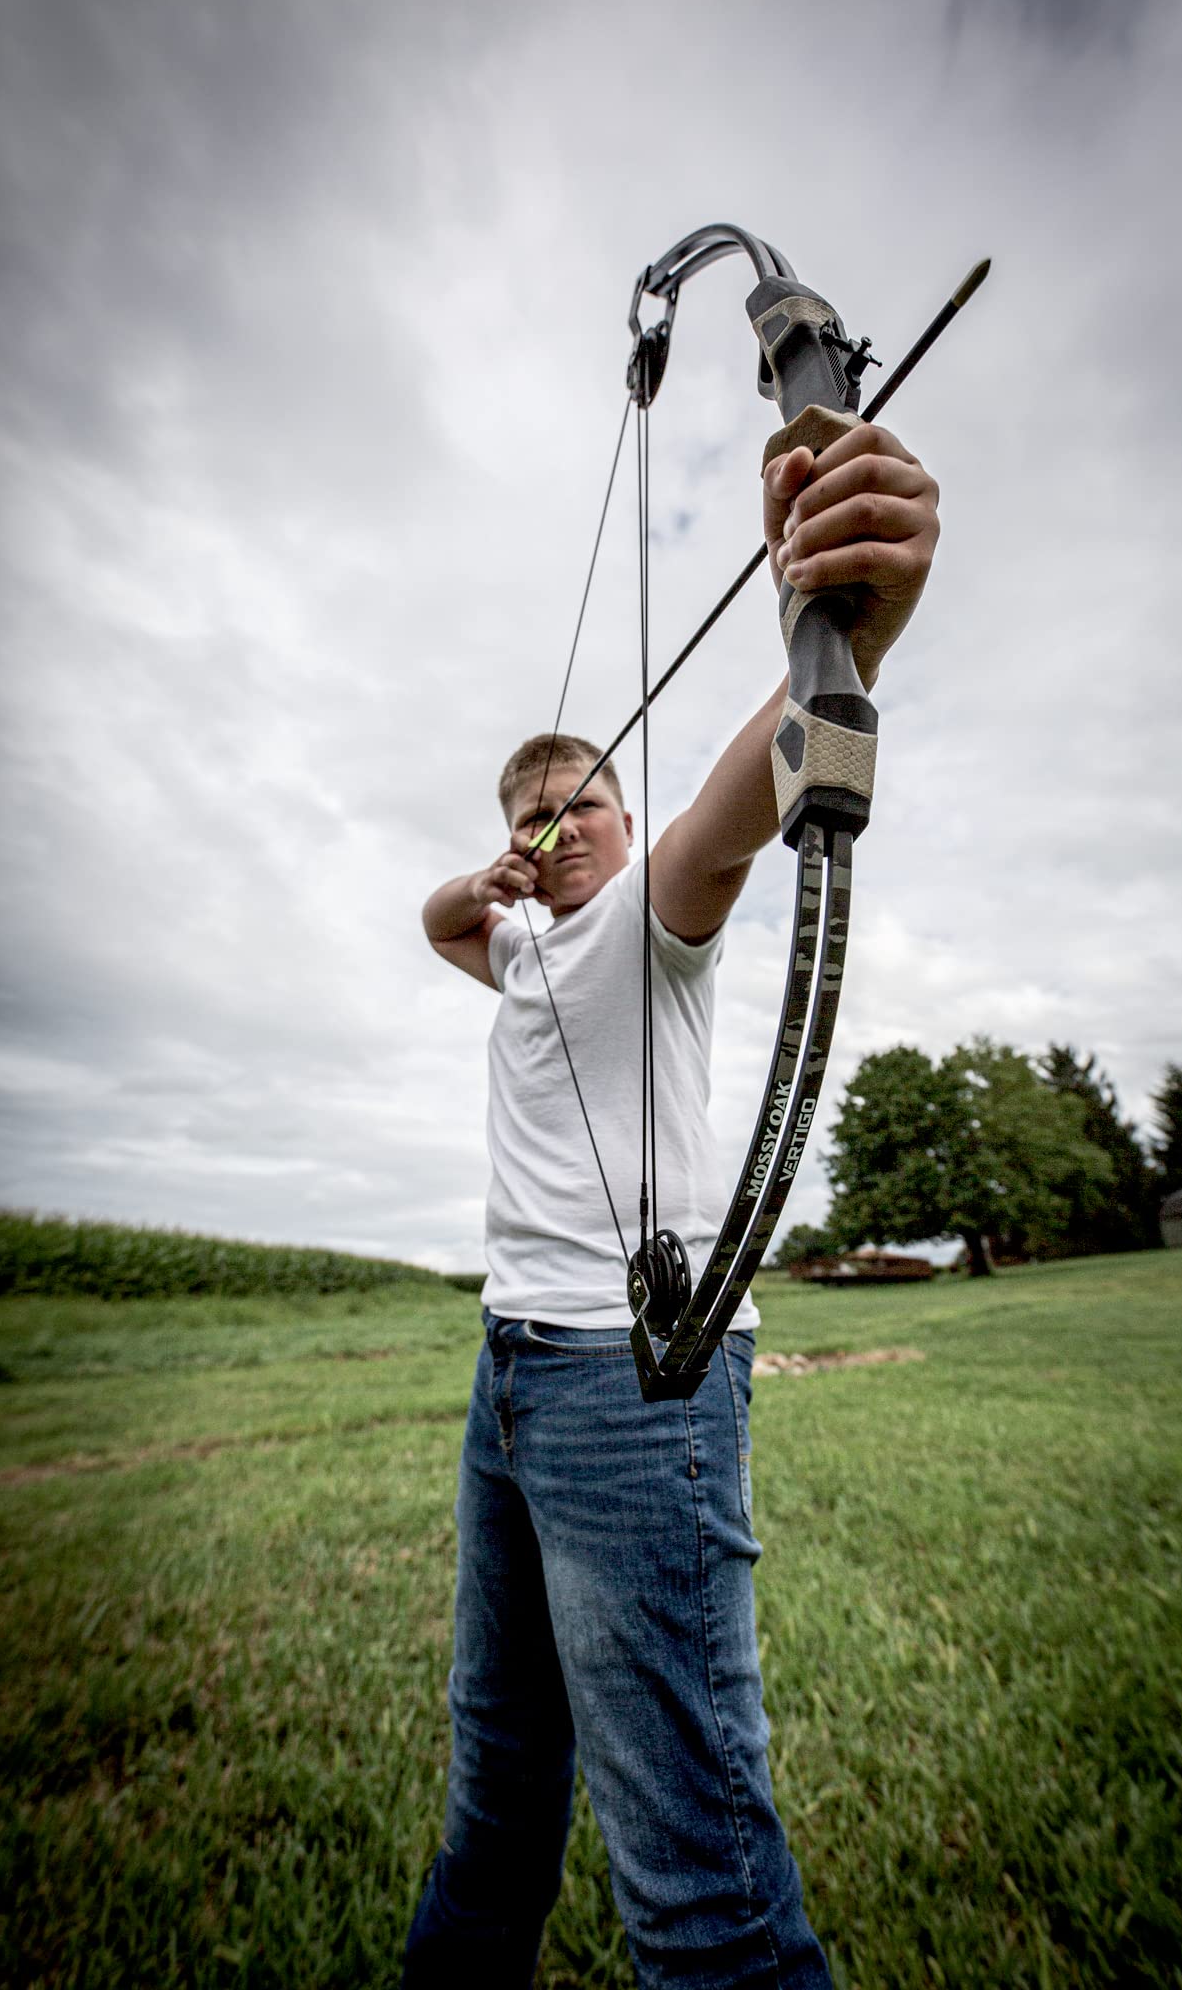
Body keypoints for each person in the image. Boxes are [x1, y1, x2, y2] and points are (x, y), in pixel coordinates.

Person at [402, 420, 940, 1987]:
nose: (561, 832)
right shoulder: (515, 943)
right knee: (496, 1787)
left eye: (583, 805)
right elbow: (436, 922)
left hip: (634, 1393)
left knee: (695, 1889)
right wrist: (475, 883)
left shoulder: (653, 913)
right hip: (509, 1376)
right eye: (533, 818)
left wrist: (844, 632)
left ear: (620, 825)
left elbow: (740, 801)